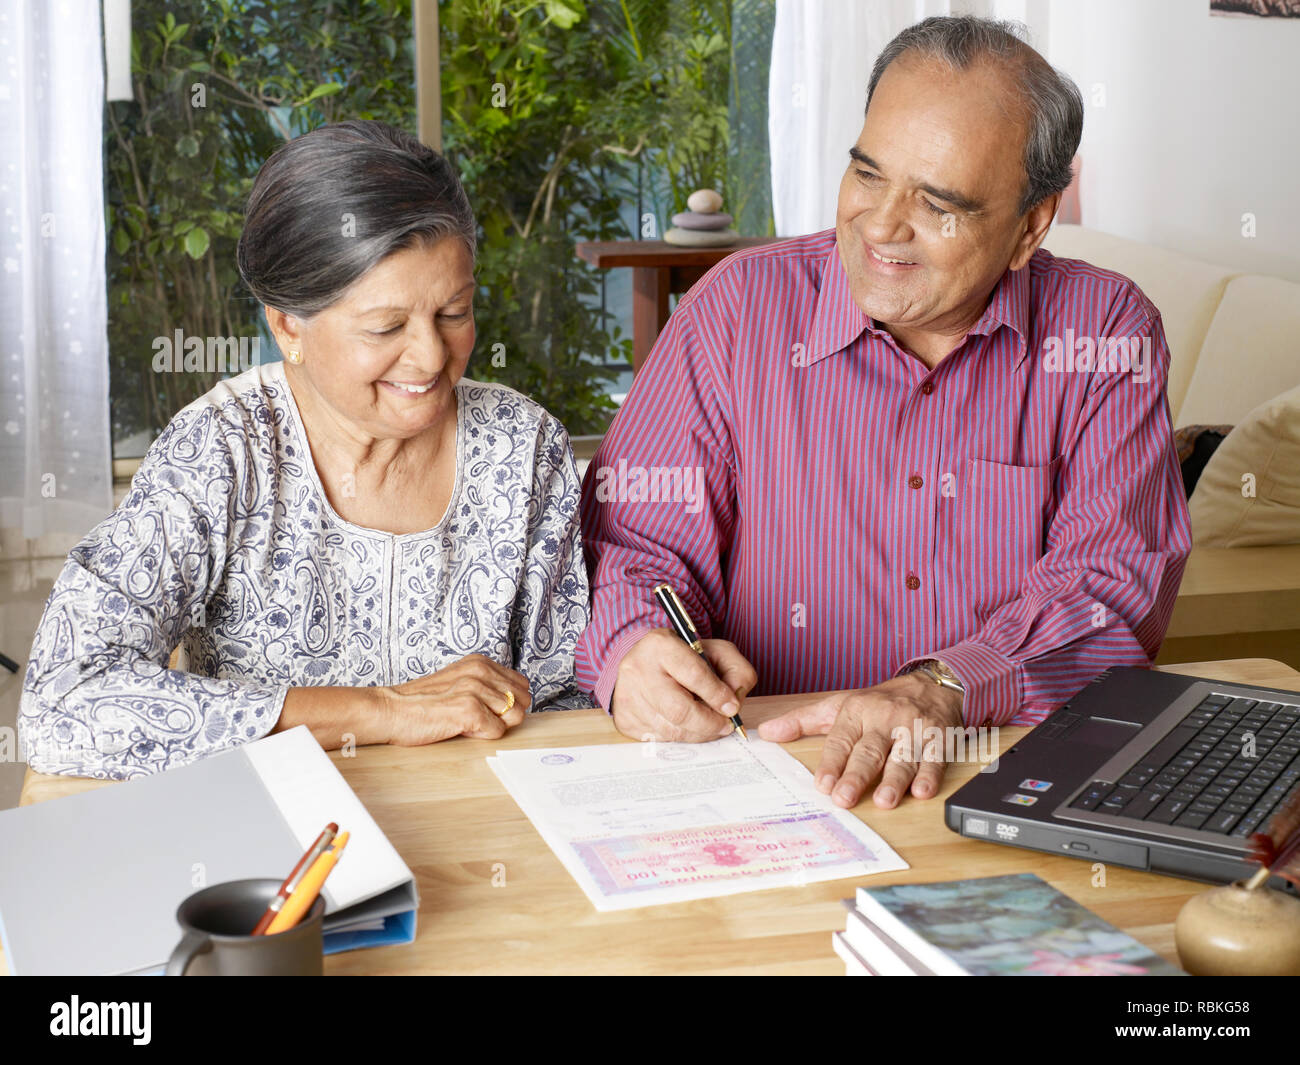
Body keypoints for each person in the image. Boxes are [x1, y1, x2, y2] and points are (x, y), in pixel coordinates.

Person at [576, 16, 1192, 811]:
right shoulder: (734, 310)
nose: (881, 226)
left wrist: (945, 684)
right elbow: (635, 542)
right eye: (867, 174)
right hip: (766, 777)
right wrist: (634, 649)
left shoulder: (1105, 332)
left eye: (939, 204)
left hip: (992, 776)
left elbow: (1114, 586)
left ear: (1031, 225)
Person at [20, 120, 591, 779]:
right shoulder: (219, 453)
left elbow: (569, 697)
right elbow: (62, 699)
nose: (432, 355)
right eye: (386, 325)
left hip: (482, 834)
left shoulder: (524, 446)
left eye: (454, 312)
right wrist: (382, 711)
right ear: (288, 323)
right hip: (264, 840)